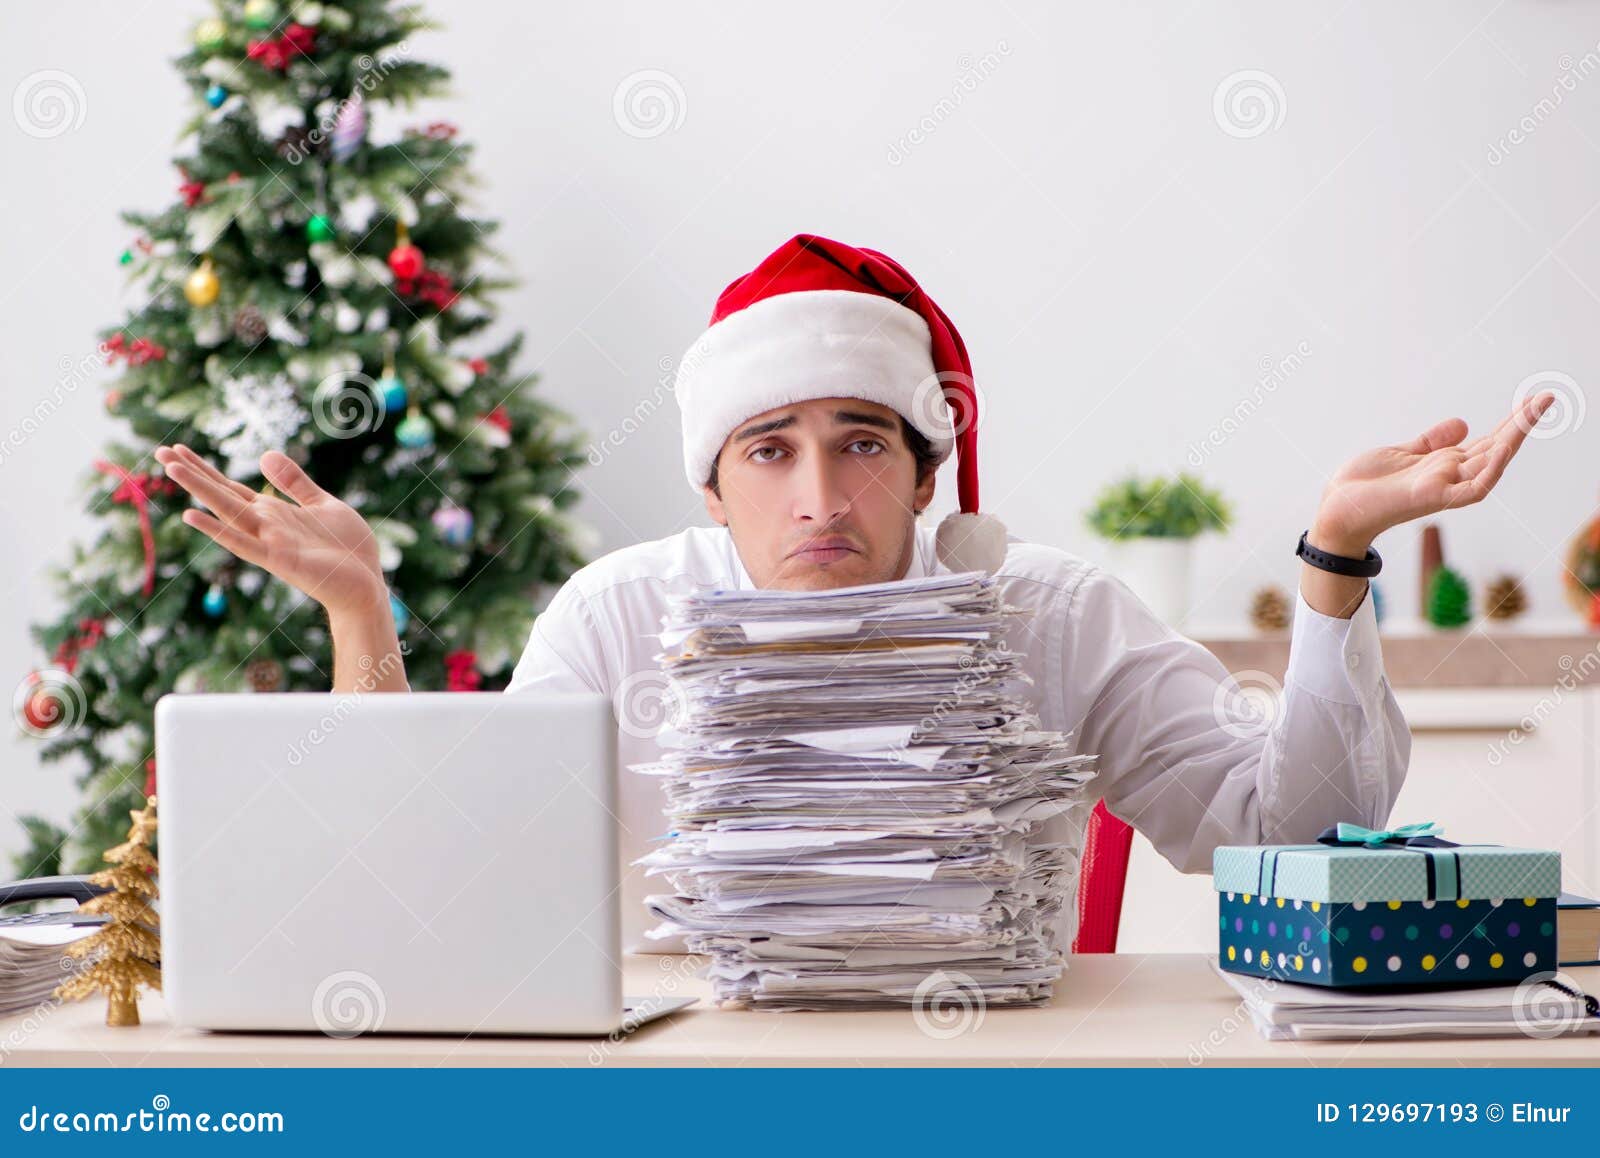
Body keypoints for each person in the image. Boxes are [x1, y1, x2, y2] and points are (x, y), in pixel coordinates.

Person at [154, 233, 1554, 951]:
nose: (820, 496)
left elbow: (1299, 834)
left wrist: (1333, 561)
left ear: (928, 466)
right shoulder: (618, 615)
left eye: (862, 442)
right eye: (771, 451)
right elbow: (443, 887)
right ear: (712, 486)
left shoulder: (1052, 614)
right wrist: (361, 616)